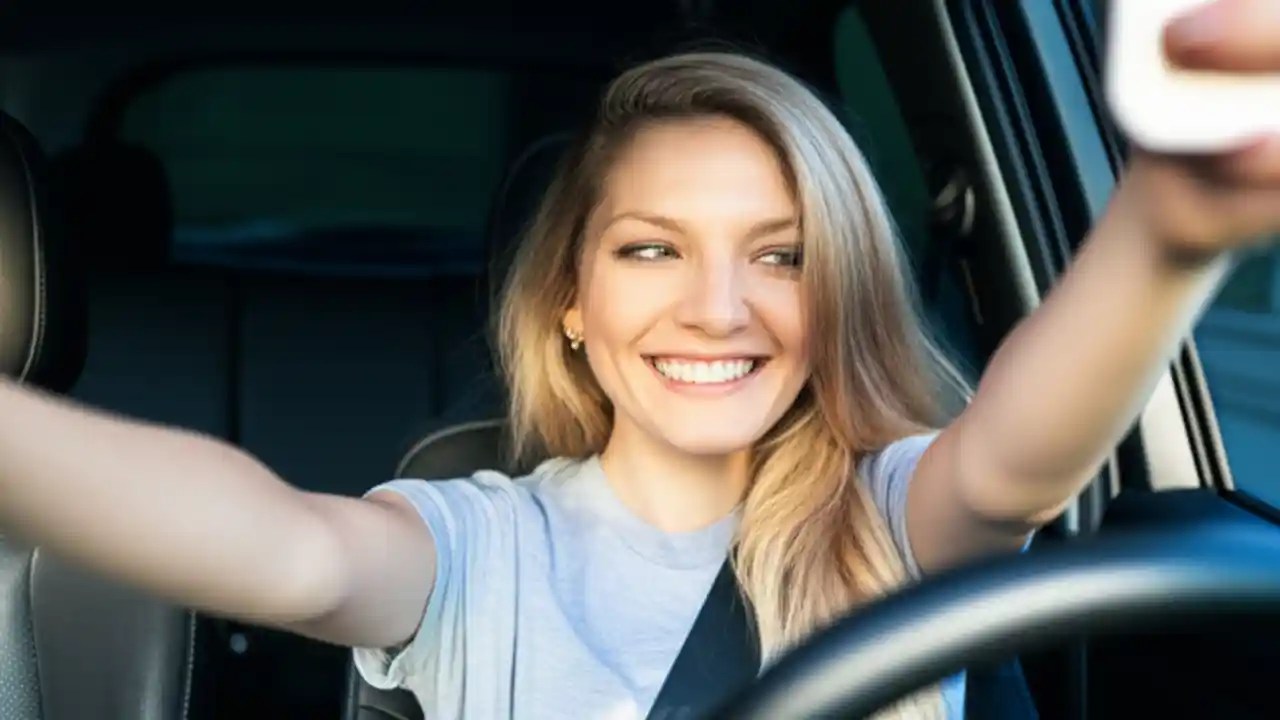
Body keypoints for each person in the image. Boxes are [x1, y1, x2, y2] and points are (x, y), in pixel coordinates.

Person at [2, 1, 1279, 718]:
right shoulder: (482, 551)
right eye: (653, 252)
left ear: (832, 298)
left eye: (778, 257)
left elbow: (1013, 463)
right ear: (570, 300)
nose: (717, 308)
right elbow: (287, 548)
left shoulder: (881, 516)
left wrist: (1166, 228)